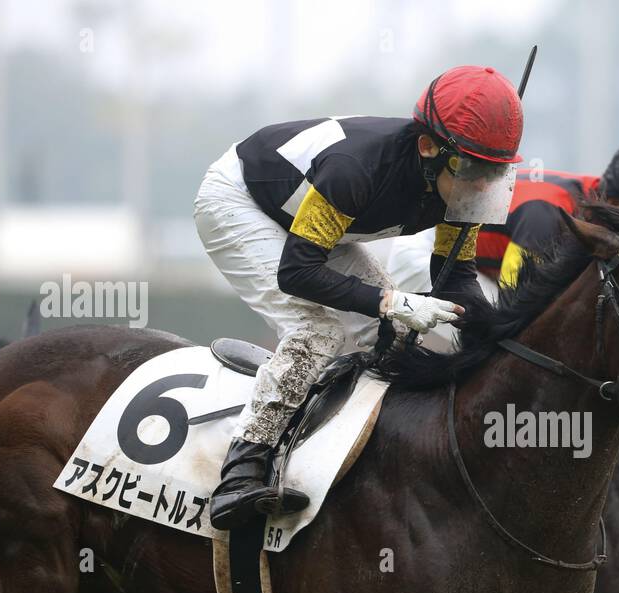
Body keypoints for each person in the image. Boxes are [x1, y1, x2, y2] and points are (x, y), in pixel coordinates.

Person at [193, 65, 523, 530]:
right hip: (239, 201)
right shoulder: (356, 169)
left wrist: (500, 329)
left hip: (317, 222)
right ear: (428, 148)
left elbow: (455, 280)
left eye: (496, 171)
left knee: (387, 334)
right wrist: (393, 302)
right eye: (473, 169)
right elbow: (298, 272)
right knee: (318, 330)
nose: (483, 187)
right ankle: (242, 469)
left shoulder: (460, 178)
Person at [382, 129, 619, 295]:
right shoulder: (550, 215)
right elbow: (514, 301)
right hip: (427, 255)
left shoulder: (598, 203)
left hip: (474, 269)